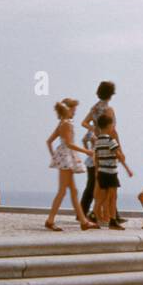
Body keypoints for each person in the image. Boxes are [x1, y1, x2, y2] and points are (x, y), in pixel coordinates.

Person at [45, 99, 96, 231]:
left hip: (65, 158)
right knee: (62, 191)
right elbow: (69, 144)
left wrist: (55, 157)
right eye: (74, 109)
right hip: (67, 158)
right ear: (69, 110)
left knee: (73, 191)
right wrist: (87, 151)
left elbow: (49, 142)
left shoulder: (62, 123)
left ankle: (83, 221)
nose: (75, 112)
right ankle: (50, 220)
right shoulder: (67, 124)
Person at [81, 81, 118, 221]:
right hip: (107, 145)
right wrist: (118, 148)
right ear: (111, 94)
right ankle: (109, 215)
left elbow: (84, 122)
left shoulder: (95, 108)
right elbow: (113, 130)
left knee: (93, 182)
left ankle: (84, 212)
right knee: (109, 183)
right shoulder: (109, 110)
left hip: (96, 143)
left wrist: (94, 129)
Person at [94, 111, 132, 229]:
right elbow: (119, 156)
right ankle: (113, 221)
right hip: (111, 173)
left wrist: (97, 171)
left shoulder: (98, 141)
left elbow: (96, 158)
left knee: (102, 197)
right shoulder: (111, 141)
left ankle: (94, 214)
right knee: (113, 197)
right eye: (112, 125)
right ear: (108, 126)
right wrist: (128, 169)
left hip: (101, 172)